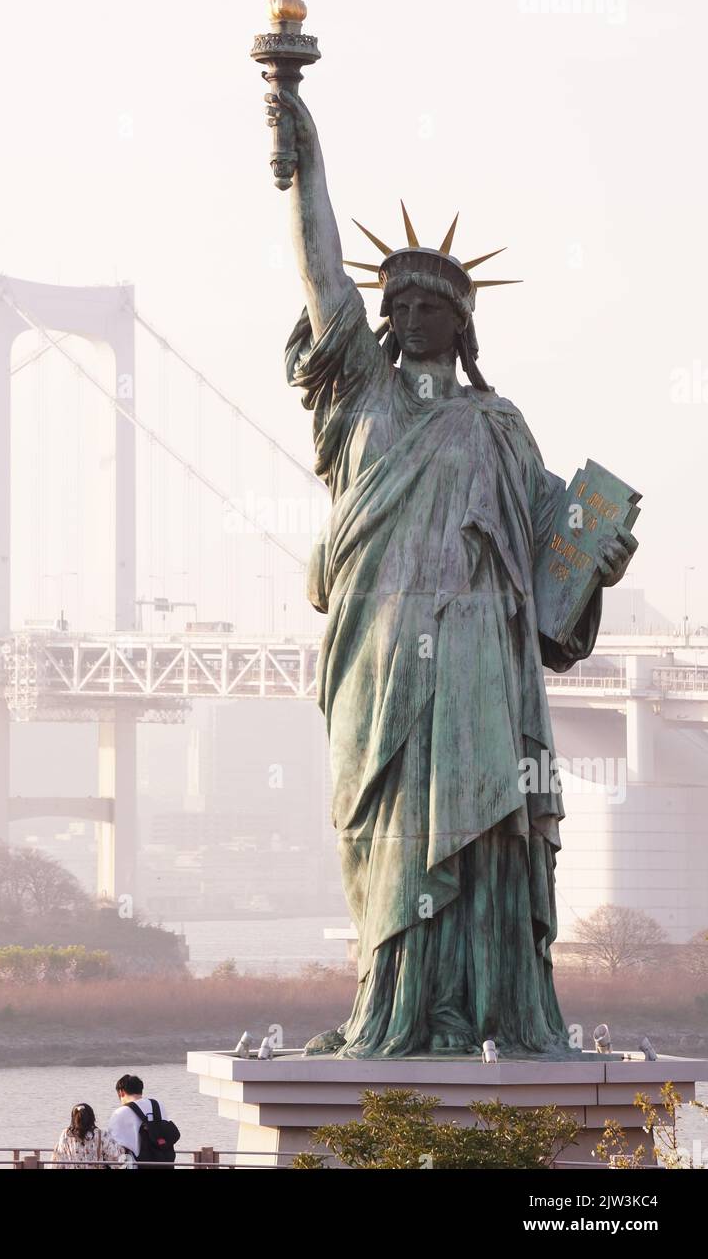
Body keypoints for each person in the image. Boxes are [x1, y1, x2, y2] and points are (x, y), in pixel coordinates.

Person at [264, 84, 638, 1059]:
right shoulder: (357, 402)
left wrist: (597, 555)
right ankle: (390, 1008)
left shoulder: (496, 424)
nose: (417, 314)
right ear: (380, 320)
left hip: (478, 650)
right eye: (401, 303)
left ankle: (486, 1007)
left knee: (487, 829)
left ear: (463, 322)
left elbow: (553, 574)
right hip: (379, 652)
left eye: (436, 303)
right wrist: (302, 154)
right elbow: (319, 282)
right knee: (383, 830)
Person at [106, 1074, 166, 1169]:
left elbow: (112, 1144)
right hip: (163, 1162)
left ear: (121, 1092)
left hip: (136, 1165)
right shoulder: (158, 1105)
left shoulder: (120, 1112)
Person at [51, 1102, 125, 1169]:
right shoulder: (101, 1135)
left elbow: (57, 1163)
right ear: (92, 1118)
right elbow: (117, 1160)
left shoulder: (65, 1135)